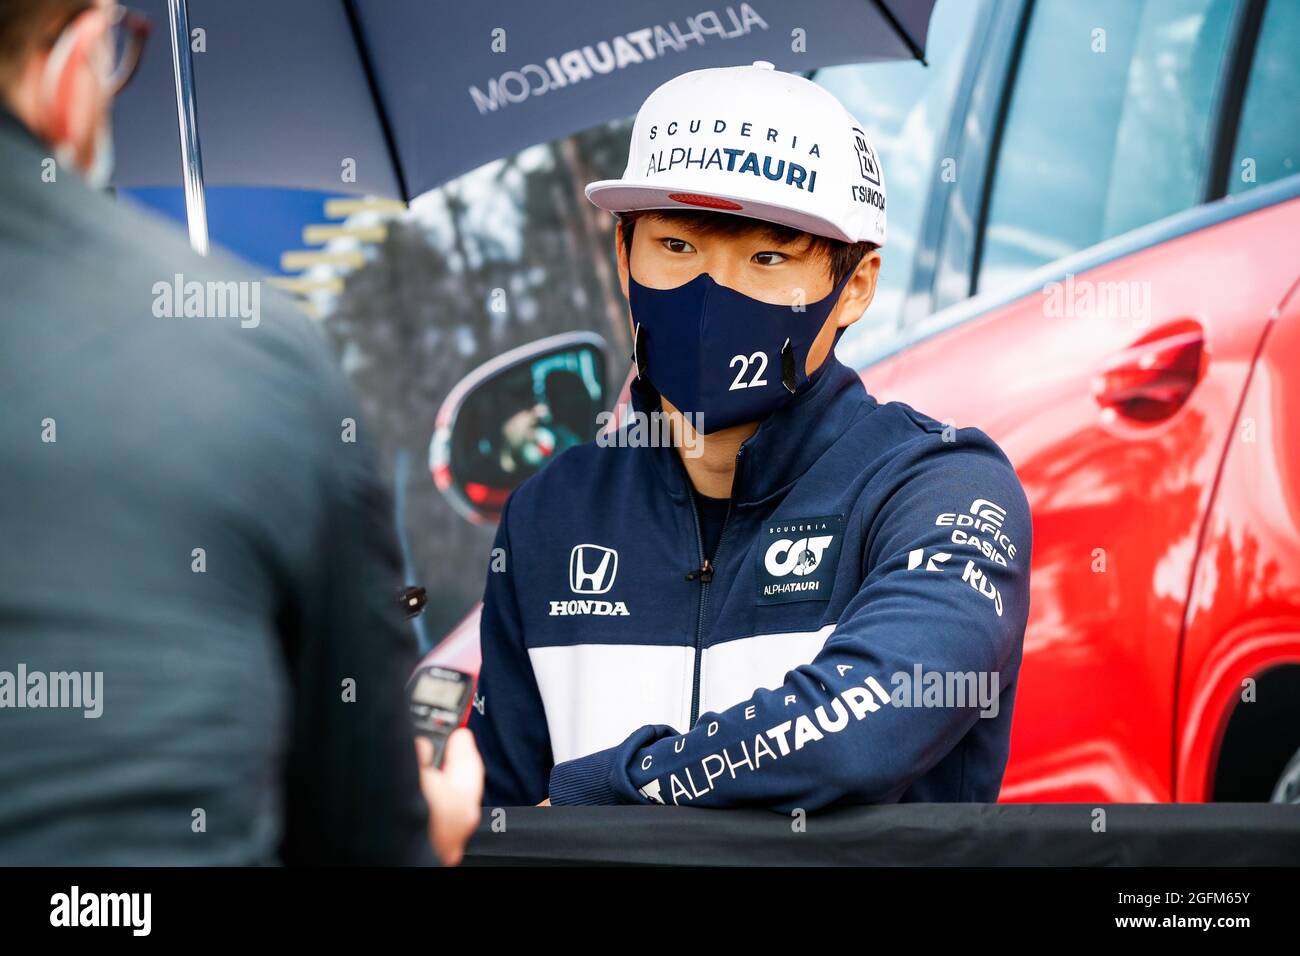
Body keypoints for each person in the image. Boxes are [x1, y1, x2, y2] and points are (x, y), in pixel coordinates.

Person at [469, 61, 1033, 809]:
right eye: (676, 248)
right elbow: (496, 823)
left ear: (856, 285)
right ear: (622, 256)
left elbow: (863, 724)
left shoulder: (941, 486)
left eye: (767, 257)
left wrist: (611, 794)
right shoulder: (551, 514)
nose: (711, 293)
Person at [0, 0, 482, 864]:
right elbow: (371, 838)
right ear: (74, 69)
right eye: (115, 55)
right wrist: (433, 827)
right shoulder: (253, 353)